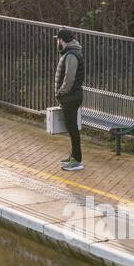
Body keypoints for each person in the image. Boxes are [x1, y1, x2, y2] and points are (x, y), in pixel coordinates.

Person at [54, 28, 84, 171]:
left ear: (61, 40)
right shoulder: (71, 53)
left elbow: (69, 78)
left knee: (73, 129)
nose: (57, 42)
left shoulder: (71, 55)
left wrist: (61, 92)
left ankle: (77, 160)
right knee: (71, 128)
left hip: (70, 97)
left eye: (57, 39)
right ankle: (74, 156)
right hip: (71, 96)